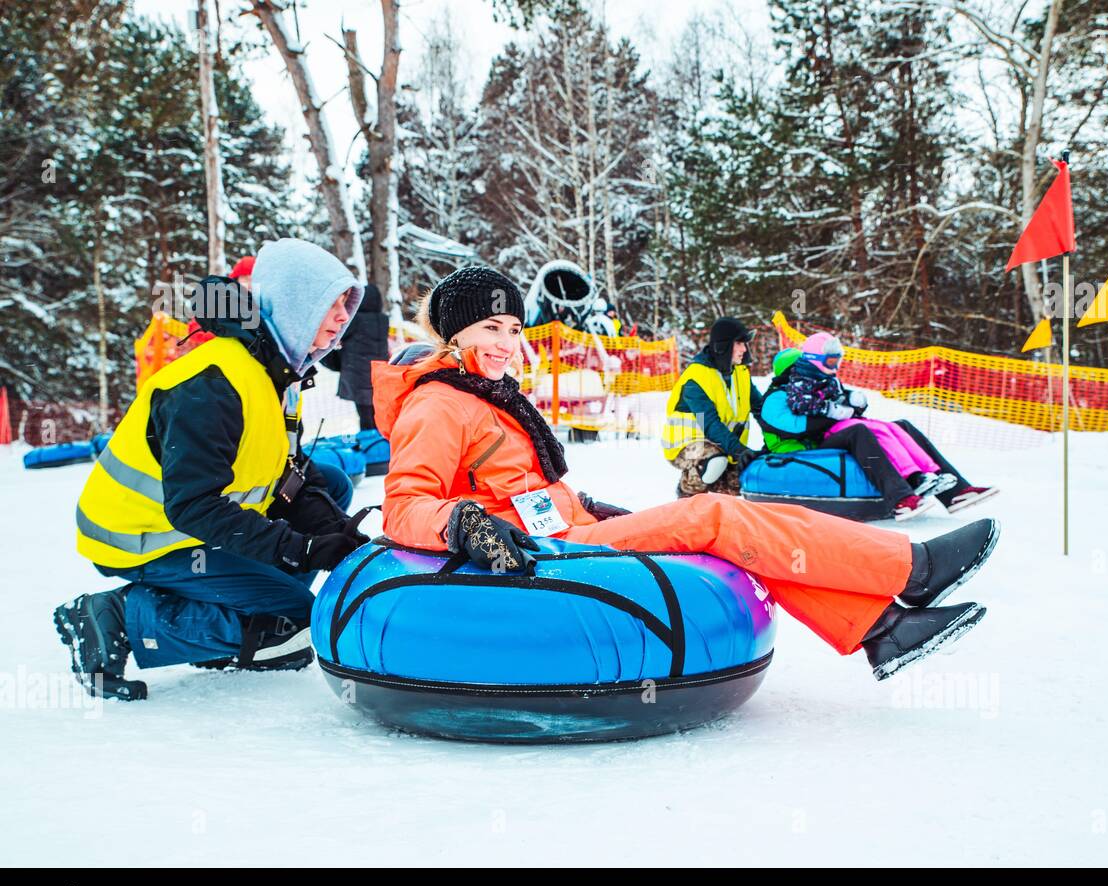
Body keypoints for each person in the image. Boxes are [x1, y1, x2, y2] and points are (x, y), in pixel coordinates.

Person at [373, 266, 1001, 682]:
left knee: (744, 527)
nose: (508, 342)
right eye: (491, 328)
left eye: (512, 328)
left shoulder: (489, 393)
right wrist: (461, 522)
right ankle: (909, 569)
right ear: (457, 334)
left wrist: (586, 503)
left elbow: (515, 482)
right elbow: (403, 505)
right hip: (533, 551)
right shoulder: (439, 402)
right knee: (715, 513)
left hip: (564, 526)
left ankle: (885, 628)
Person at [55, 239, 370, 700]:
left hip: (190, 525)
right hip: (143, 535)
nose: (344, 317)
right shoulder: (213, 384)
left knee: (333, 485)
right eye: (331, 303)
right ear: (294, 306)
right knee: (297, 623)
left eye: (347, 304)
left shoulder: (276, 373)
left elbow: (291, 475)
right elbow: (195, 506)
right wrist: (301, 551)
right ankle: (118, 617)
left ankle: (252, 609)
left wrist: (341, 539)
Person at [759, 335, 999, 520]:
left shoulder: (821, 385)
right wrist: (836, 412)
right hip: (801, 449)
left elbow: (838, 403)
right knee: (858, 432)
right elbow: (797, 428)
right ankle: (902, 497)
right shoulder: (776, 399)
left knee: (901, 426)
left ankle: (956, 491)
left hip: (824, 438)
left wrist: (852, 404)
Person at [662, 316, 765, 497]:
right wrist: (741, 451)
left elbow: (761, 409)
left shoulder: (740, 373)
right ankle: (687, 493)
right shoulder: (696, 377)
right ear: (724, 346)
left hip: (722, 444)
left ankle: (718, 517)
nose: (744, 349)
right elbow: (710, 424)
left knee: (739, 480)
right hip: (686, 444)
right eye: (739, 343)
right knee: (714, 464)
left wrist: (779, 438)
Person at [320, 282, 390, 431]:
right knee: (375, 415)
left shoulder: (356, 320)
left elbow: (339, 336)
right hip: (377, 377)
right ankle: (377, 445)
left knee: (365, 417)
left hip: (358, 376)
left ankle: (370, 447)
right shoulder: (383, 320)